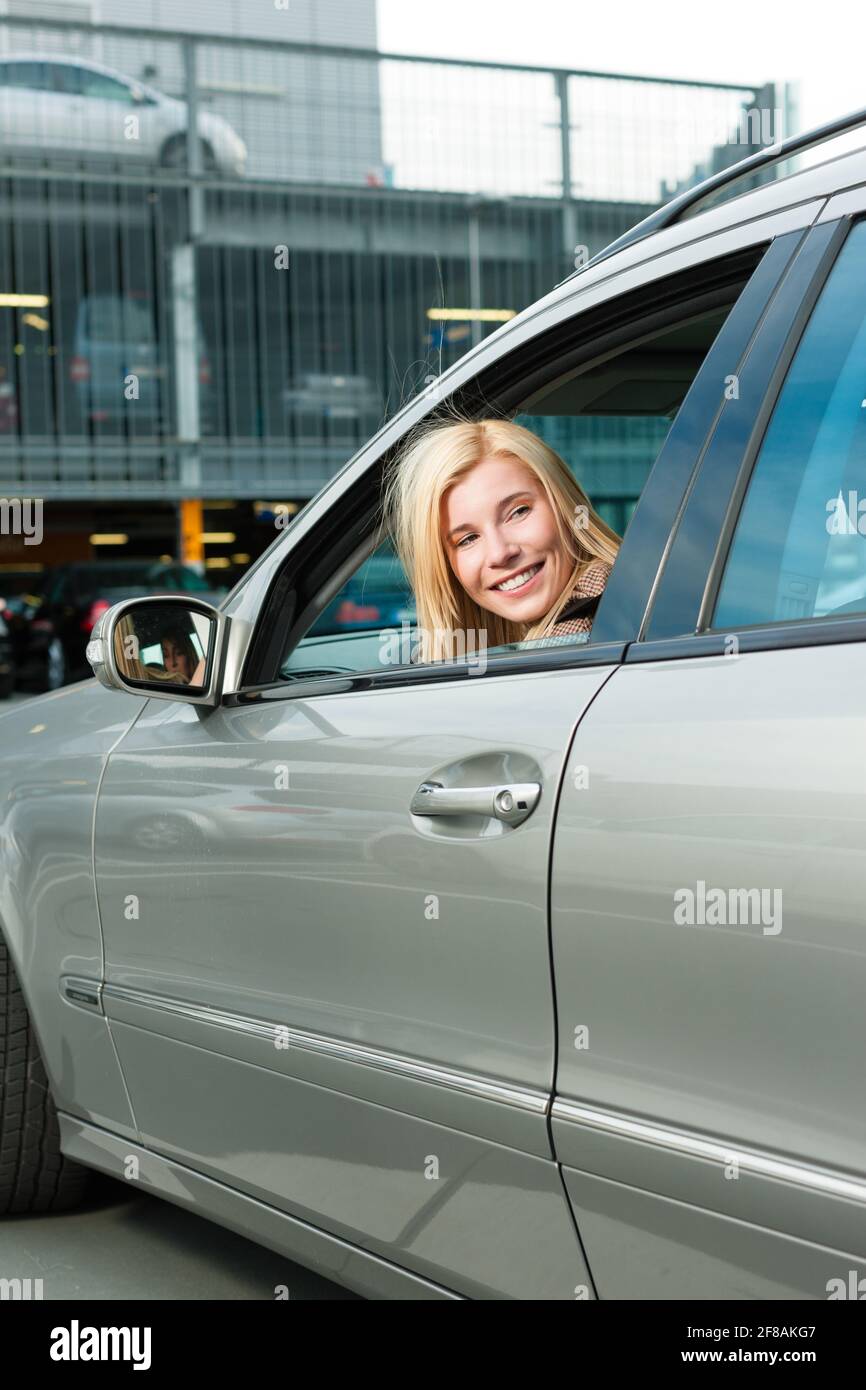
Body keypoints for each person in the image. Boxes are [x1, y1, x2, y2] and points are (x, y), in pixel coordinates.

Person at [383, 415, 620, 663]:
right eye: (468, 539)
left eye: (518, 512)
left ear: (566, 507)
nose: (499, 553)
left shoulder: (578, 632)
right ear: (446, 566)